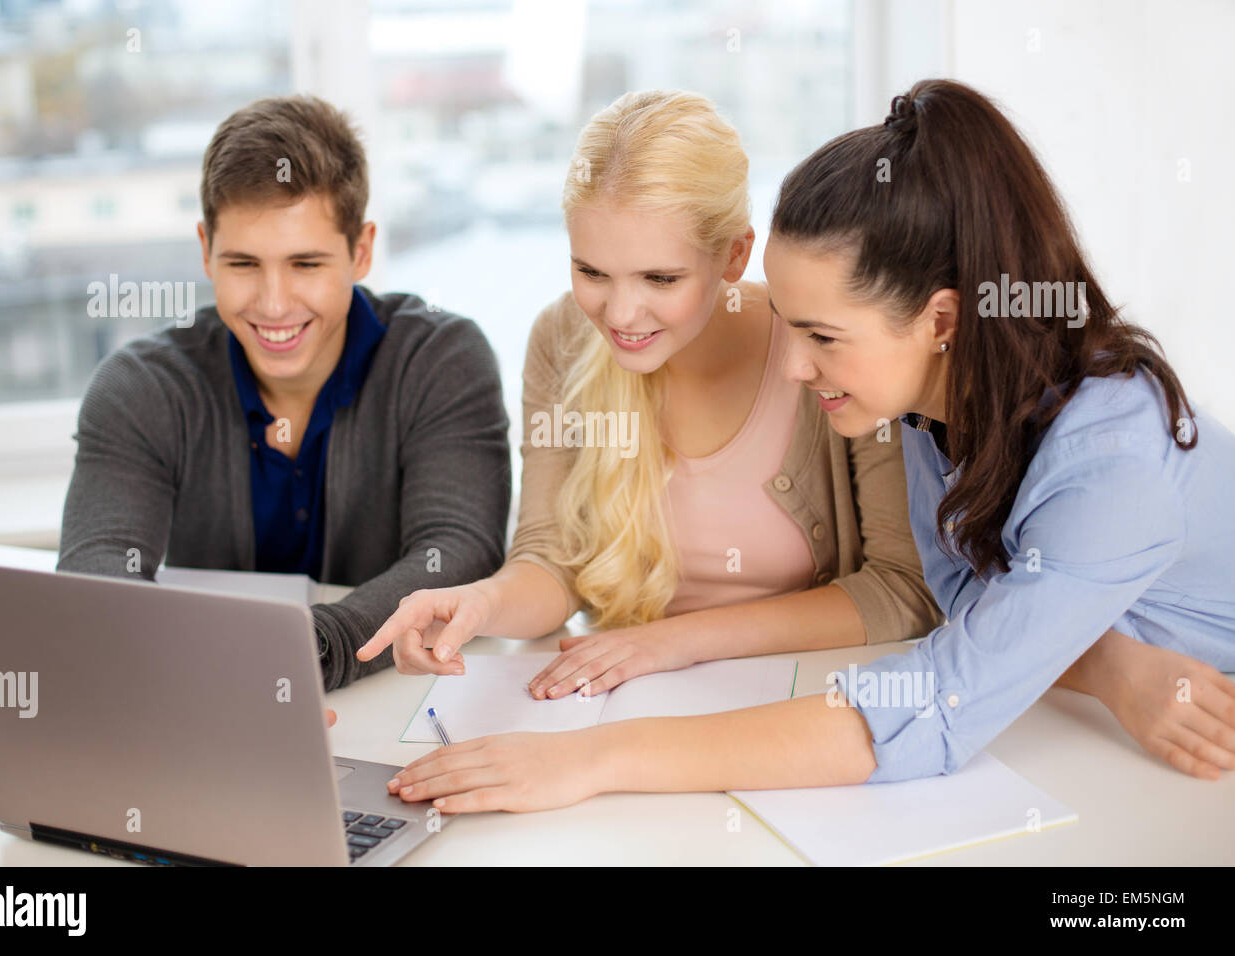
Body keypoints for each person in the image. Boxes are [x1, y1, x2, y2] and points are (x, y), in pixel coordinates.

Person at [375, 79, 1235, 813]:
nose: (789, 366)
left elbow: (926, 705)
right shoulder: (933, 410)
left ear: (940, 319)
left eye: (820, 335)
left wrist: (594, 760)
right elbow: (982, 615)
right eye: (785, 325)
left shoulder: (1109, 465)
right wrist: (1113, 665)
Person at [357, 89, 942, 705]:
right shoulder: (561, 337)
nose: (621, 313)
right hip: (629, 696)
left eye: (660, 278)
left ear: (735, 254)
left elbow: (902, 588)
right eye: (591, 272)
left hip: (805, 700)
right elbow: (550, 564)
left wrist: (674, 642)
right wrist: (480, 602)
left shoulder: (821, 342)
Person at [57, 95, 511, 691]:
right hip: (203, 695)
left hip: (396, 692)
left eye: (306, 264)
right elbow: (98, 574)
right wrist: (209, 676)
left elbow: (459, 550)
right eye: (244, 264)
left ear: (362, 251)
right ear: (205, 250)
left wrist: (309, 652)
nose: (273, 304)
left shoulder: (439, 359)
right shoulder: (142, 387)